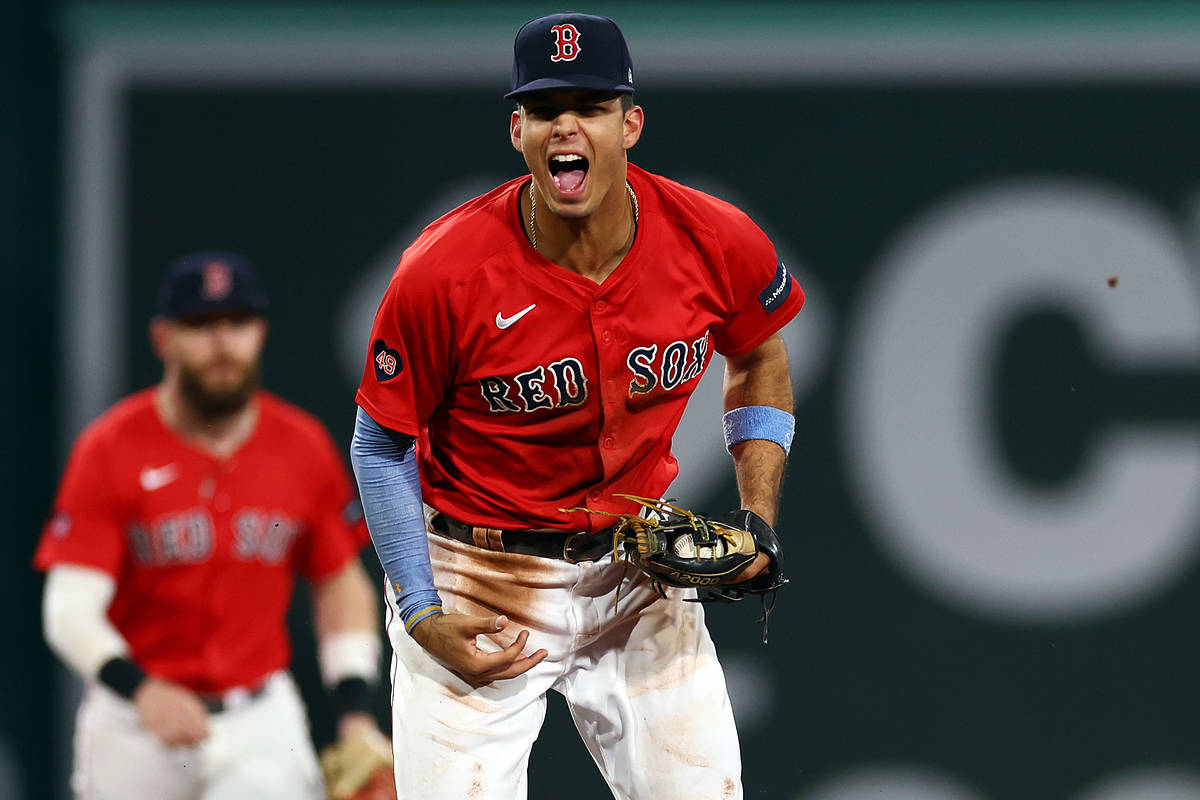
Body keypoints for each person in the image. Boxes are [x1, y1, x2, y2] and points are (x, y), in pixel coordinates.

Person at [351, 11, 803, 800]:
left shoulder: (712, 239)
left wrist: (758, 517)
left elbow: (758, 355)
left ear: (630, 124)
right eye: (547, 108)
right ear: (518, 129)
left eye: (591, 106)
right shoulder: (442, 271)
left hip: (637, 571)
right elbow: (381, 444)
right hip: (480, 574)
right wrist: (421, 611)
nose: (569, 126)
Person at [35, 253, 387, 800]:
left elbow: (339, 583)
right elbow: (68, 606)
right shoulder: (109, 449)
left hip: (258, 719)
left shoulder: (301, 446)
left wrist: (356, 712)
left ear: (261, 332)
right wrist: (141, 689)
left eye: (238, 322)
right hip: (136, 720)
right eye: (200, 325)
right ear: (162, 338)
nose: (222, 342)